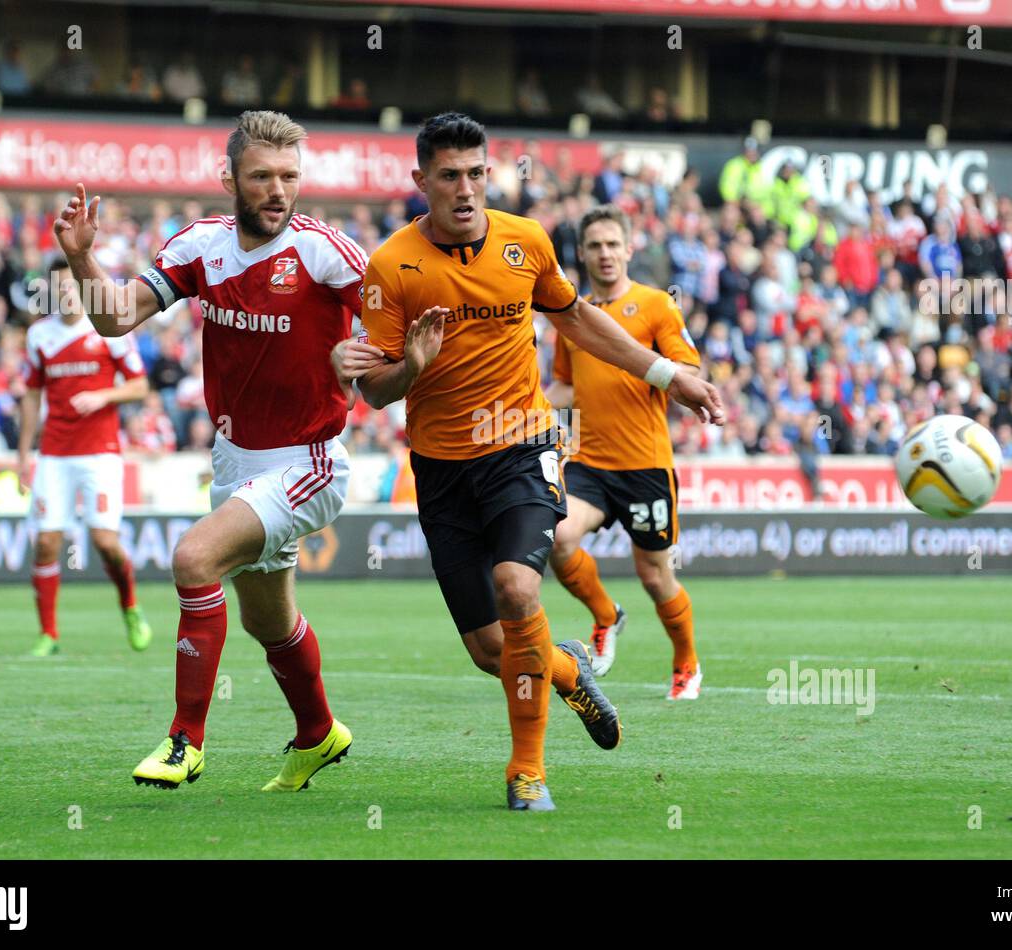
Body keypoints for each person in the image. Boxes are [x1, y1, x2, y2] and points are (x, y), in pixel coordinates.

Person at [337, 113, 723, 810]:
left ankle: (527, 771)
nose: (465, 189)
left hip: (522, 445)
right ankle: (569, 671)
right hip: (442, 467)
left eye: (477, 173)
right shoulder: (392, 265)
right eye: (449, 176)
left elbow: (577, 319)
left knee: (519, 588)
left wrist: (671, 376)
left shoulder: (526, 241)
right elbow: (372, 388)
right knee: (492, 651)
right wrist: (412, 366)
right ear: (421, 180)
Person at [54, 110, 366, 791]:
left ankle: (184, 742)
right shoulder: (202, 246)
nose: (278, 190)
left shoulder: (325, 252)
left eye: (289, 176)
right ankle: (318, 733)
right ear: (230, 178)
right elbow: (114, 316)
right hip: (236, 461)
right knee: (267, 620)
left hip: (307, 459)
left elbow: (393, 315)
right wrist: (81, 256)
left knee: (194, 558)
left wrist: (390, 361)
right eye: (262, 176)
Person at [545, 204, 704, 699]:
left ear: (630, 248)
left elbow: (689, 373)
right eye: (595, 245)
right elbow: (564, 387)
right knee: (557, 537)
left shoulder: (657, 305)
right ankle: (605, 615)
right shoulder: (574, 316)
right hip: (590, 460)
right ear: (583, 254)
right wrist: (516, 404)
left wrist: (654, 370)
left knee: (656, 578)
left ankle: (686, 662)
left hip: (645, 466)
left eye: (613, 243)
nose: (605, 253)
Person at [18, 259, 151, 657]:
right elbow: (29, 394)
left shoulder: (109, 330)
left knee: (105, 542)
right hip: (55, 453)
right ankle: (49, 635)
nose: (64, 293)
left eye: (70, 286)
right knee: (45, 542)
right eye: (57, 288)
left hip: (101, 452)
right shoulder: (40, 335)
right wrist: (23, 453)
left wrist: (103, 396)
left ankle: (129, 606)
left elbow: (140, 386)